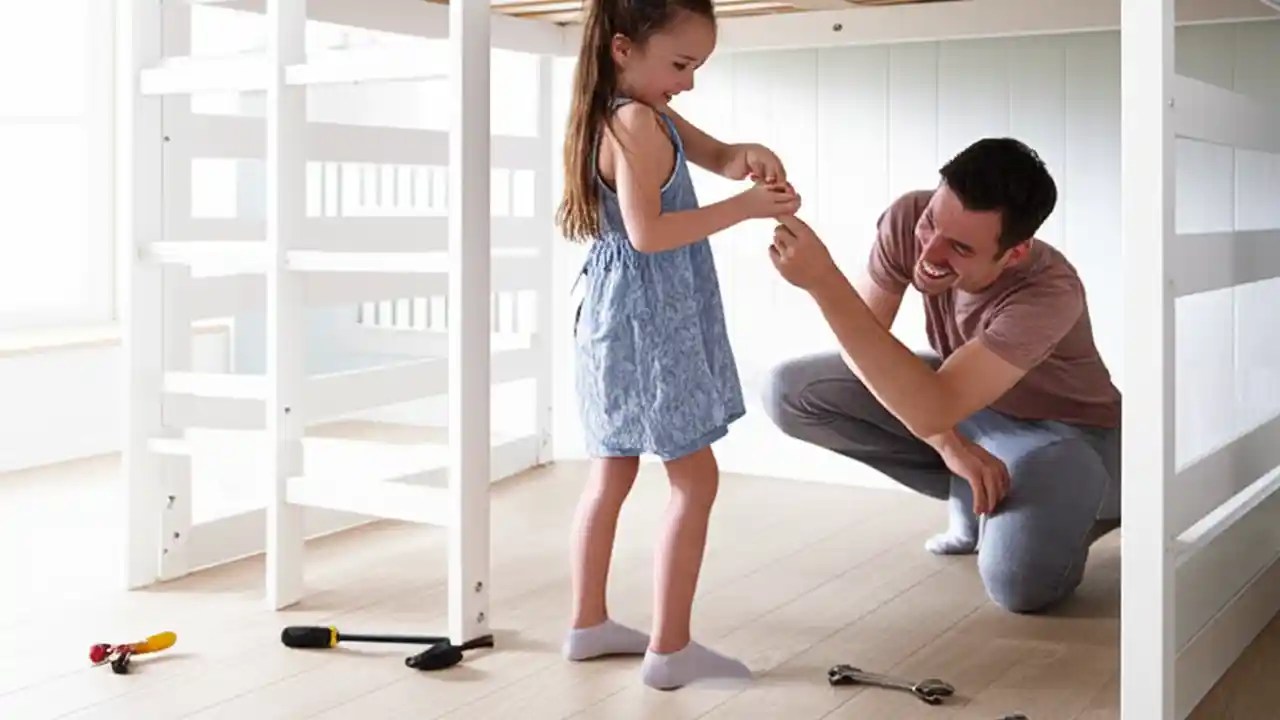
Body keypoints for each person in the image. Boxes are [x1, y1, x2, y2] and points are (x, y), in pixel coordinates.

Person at [761, 138, 1121, 614]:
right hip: (968, 404)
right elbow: (860, 351)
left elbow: (935, 404)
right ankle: (974, 484)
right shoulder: (909, 219)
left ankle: (1088, 511)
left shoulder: (1049, 292)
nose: (929, 251)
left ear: (1012, 255)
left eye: (960, 247)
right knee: (791, 390)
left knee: (1019, 588)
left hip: (1065, 438)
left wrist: (824, 282)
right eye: (933, 221)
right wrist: (951, 445)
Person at [554, 0, 801, 689]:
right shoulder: (636, 121)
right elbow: (650, 233)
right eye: (681, 64)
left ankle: (588, 622)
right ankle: (670, 649)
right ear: (625, 49)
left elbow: (716, 155)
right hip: (650, 322)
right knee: (695, 478)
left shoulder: (624, 108)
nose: (688, 81)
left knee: (613, 470)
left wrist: (746, 157)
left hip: (611, 316)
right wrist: (747, 208)